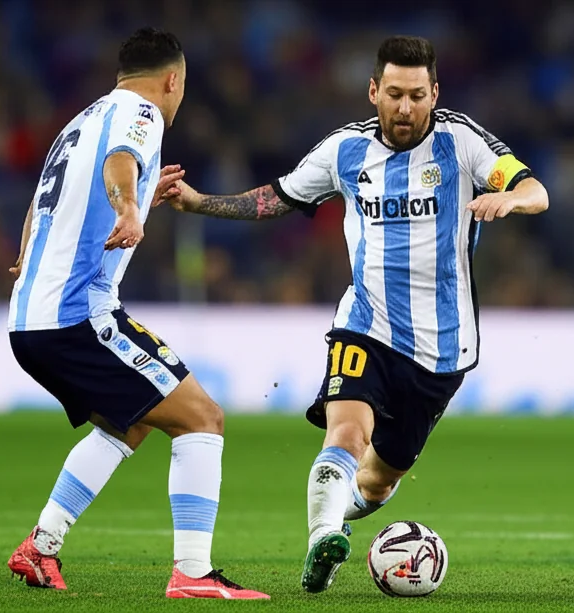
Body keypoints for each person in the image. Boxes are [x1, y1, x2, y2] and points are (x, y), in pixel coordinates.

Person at [162, 35, 549, 593]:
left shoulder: (462, 142)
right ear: (373, 91)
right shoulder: (344, 150)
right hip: (364, 324)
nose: (405, 107)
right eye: (394, 93)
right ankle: (323, 537)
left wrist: (510, 199)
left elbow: (535, 188)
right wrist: (200, 204)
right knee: (345, 433)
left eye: (417, 95)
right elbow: (280, 197)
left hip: (443, 348)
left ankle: (336, 518)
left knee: (379, 480)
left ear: (434, 93)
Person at [5, 27, 268, 600]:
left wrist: (31, 252)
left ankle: (40, 546)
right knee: (204, 417)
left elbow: (44, 202)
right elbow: (121, 162)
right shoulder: (141, 116)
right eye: (182, 88)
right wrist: (132, 207)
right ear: (172, 80)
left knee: (134, 421)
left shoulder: (80, 122)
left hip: (31, 319)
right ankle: (193, 573)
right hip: (78, 316)